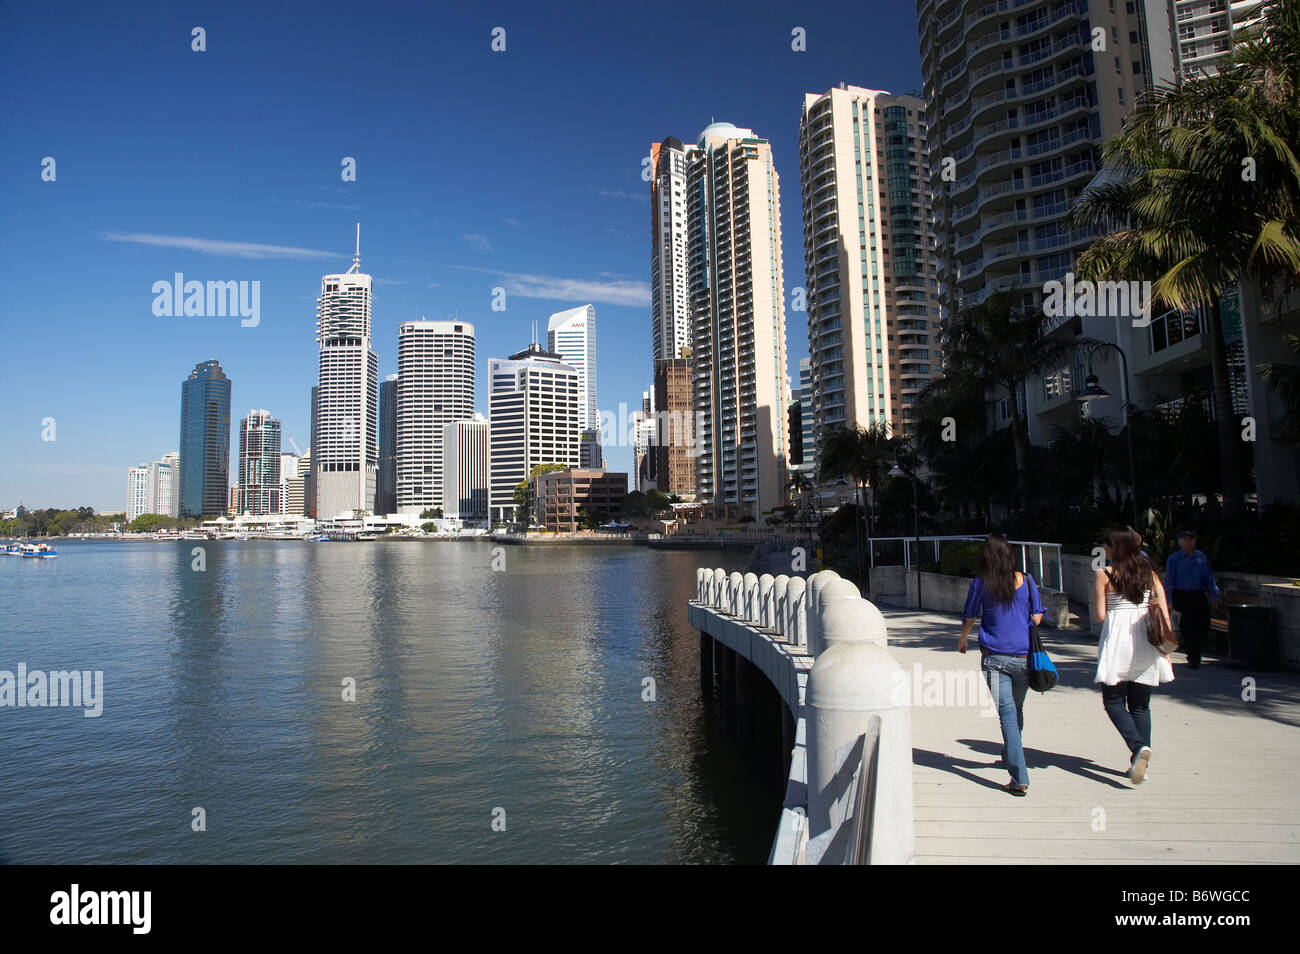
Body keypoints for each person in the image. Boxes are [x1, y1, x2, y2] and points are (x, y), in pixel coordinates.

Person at [958, 534, 1044, 796]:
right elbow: (1038, 617)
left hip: (994, 658)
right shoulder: (1026, 580)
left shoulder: (981, 583)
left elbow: (970, 616)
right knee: (1015, 710)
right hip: (1023, 658)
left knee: (1007, 713)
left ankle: (1019, 775)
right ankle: (1011, 756)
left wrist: (963, 640)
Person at [1094, 527, 1175, 785]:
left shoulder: (1104, 574)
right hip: (1146, 640)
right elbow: (1162, 609)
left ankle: (1138, 747)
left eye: (1107, 545)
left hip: (1118, 641)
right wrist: (1167, 649)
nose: (1104, 549)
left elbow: (1100, 615)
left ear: (1115, 548)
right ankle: (1140, 761)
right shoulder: (1148, 574)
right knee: (1140, 705)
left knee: (1113, 701)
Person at [1163, 530, 1219, 669]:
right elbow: (1169, 581)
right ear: (1180, 542)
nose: (1188, 542)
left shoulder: (1201, 557)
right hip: (1182, 595)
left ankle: (1196, 651)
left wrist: (1213, 595)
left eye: (1191, 539)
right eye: (1185, 539)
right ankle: (1193, 656)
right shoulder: (1174, 559)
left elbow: (1208, 578)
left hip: (1198, 595)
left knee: (1203, 624)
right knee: (1187, 627)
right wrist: (1169, 601)